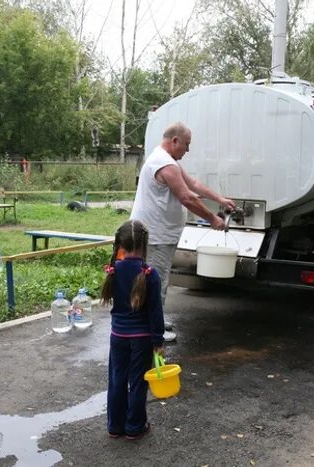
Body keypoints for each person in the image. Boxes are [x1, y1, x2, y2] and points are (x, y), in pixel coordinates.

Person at [130, 122, 236, 341]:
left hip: (160, 234)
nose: (187, 150)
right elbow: (186, 197)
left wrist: (220, 199)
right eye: (186, 145)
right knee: (155, 281)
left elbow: (193, 184)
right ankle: (153, 330)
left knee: (159, 280)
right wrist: (213, 219)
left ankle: (155, 318)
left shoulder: (167, 160)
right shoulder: (164, 163)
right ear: (175, 141)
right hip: (155, 235)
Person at [100, 220, 165, 441]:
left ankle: (115, 426)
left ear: (120, 244)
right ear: (145, 244)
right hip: (142, 338)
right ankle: (135, 427)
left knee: (117, 379)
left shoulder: (113, 270)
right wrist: (158, 341)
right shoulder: (150, 273)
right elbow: (155, 312)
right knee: (137, 382)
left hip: (118, 335)